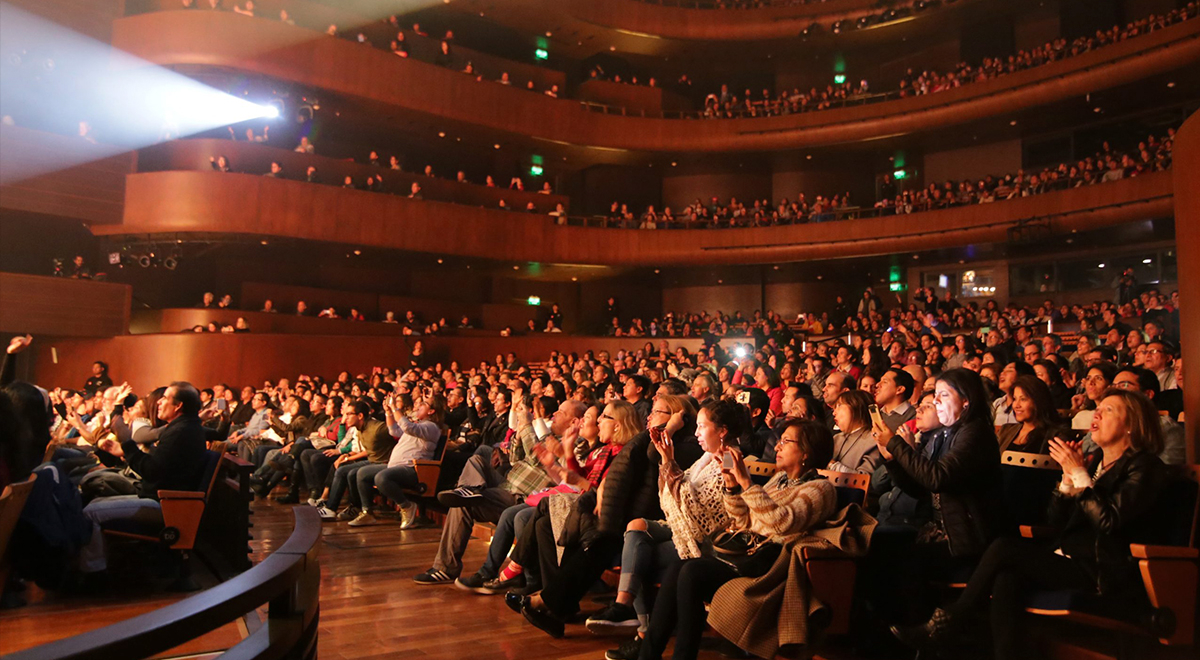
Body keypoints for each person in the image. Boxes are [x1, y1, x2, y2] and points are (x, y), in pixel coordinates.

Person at [892, 389, 1166, 660]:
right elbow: (1055, 521)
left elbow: (1109, 521)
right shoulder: (1094, 462)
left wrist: (1079, 474)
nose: (1097, 413)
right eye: (1099, 407)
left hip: (1103, 570)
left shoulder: (1144, 466)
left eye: (1108, 410)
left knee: (1004, 548)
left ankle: (951, 620)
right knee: (1006, 578)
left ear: (1132, 425)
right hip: (1071, 558)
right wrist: (1068, 481)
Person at [626, 419, 837, 660]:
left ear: (807, 453)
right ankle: (648, 654)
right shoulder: (779, 481)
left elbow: (782, 522)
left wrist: (746, 482)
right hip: (749, 555)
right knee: (679, 569)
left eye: (786, 441)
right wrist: (731, 486)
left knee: (691, 573)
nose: (777, 447)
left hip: (774, 570)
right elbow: (742, 520)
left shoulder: (820, 489)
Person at [584, 398, 733, 641]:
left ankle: (640, 631)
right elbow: (670, 494)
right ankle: (627, 611)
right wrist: (668, 462)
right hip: (680, 525)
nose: (696, 433)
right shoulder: (706, 457)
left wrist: (668, 461)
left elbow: (695, 510)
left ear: (723, 431)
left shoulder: (729, 459)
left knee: (640, 553)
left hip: (703, 539)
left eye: (702, 427)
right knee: (636, 528)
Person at [869, 368, 1007, 622]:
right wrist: (892, 460)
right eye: (936, 396)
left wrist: (896, 445)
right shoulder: (946, 434)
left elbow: (937, 477)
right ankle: (884, 634)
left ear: (966, 401)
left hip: (967, 538)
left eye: (943, 395)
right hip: (941, 531)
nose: (935, 401)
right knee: (876, 548)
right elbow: (921, 489)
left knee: (907, 562)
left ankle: (927, 635)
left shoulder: (975, 433)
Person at [82, 382, 208, 574]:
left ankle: (93, 573)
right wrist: (124, 451)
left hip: (166, 505)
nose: (159, 402)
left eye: (165, 398)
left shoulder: (180, 431)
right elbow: (157, 467)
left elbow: (151, 471)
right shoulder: (185, 427)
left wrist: (127, 445)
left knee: (91, 512)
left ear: (178, 405)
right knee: (96, 497)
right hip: (164, 498)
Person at [348, 392, 445, 527]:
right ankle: (367, 513)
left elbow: (407, 427)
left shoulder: (431, 427)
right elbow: (394, 431)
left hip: (413, 469)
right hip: (396, 466)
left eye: (423, 404)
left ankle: (406, 506)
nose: (417, 407)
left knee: (382, 477)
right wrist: (388, 412)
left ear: (432, 411)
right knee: (362, 473)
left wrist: (395, 408)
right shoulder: (417, 425)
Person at [996, 375, 1060, 454]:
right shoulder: (1006, 430)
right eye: (1015, 399)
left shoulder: (1055, 435)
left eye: (1023, 399)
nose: (1016, 405)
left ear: (1038, 401)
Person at [829, 390, 879, 474]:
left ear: (856, 406)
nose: (834, 413)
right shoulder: (837, 438)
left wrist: (832, 465)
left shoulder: (873, 440)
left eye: (839, 406)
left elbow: (864, 479)